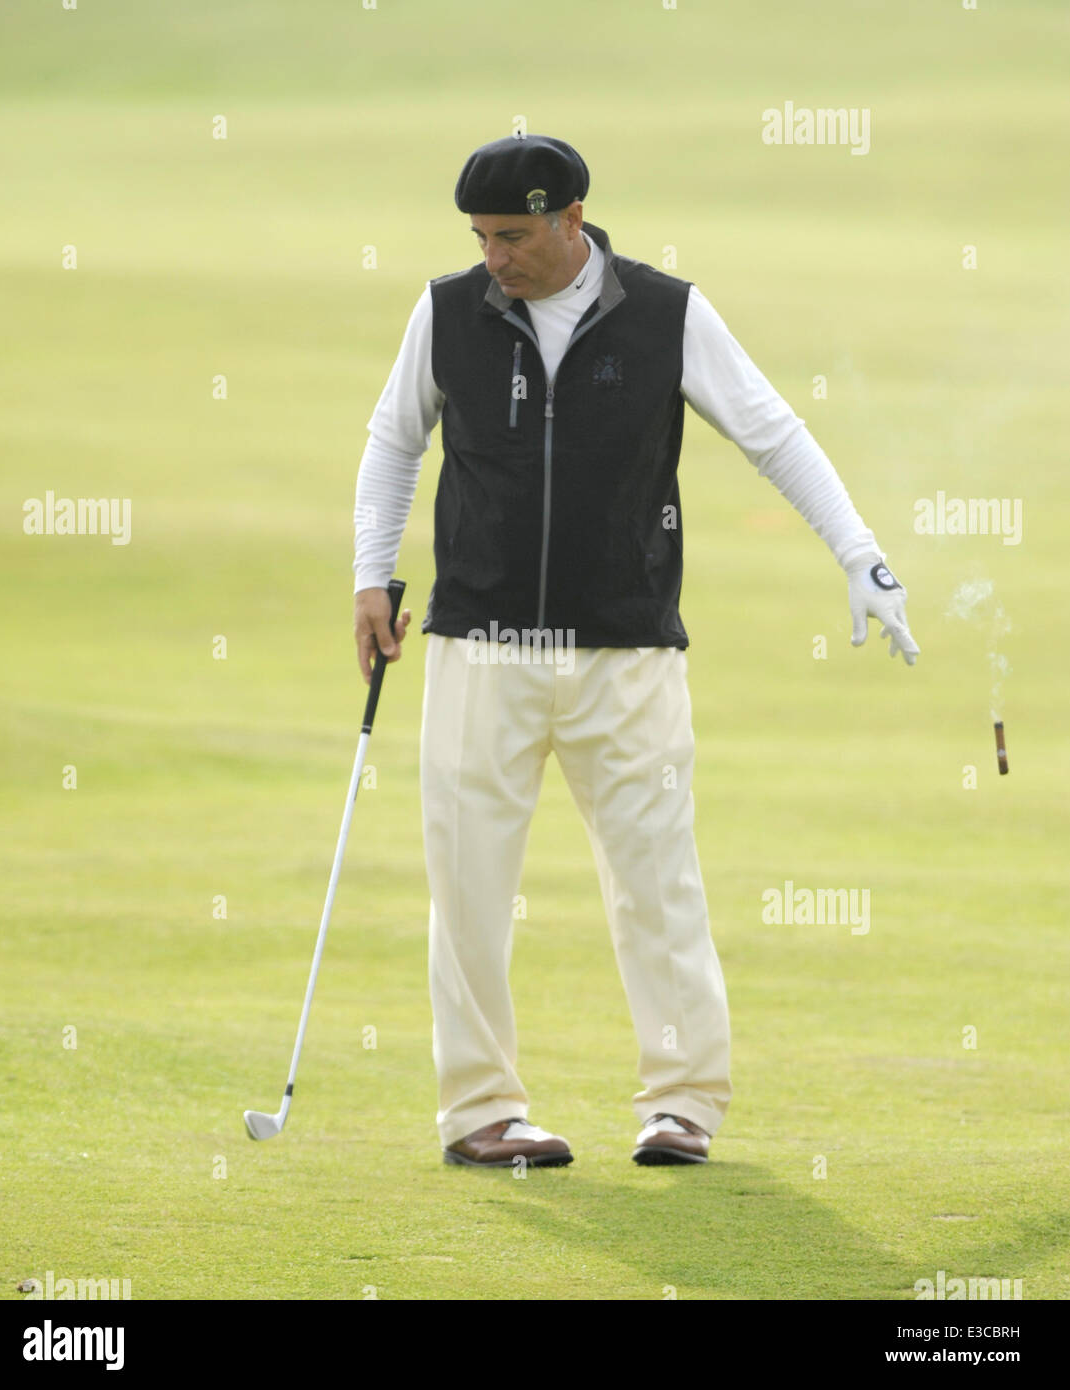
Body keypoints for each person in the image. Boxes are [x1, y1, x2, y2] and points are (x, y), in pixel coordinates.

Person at [351, 134, 919, 1168]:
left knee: (656, 881)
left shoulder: (665, 314)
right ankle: (481, 1111)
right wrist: (366, 573)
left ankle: (680, 1104)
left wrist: (858, 553)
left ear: (571, 218)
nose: (495, 258)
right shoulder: (445, 312)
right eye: (480, 238)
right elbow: (396, 440)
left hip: (629, 650)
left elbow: (771, 431)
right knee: (468, 883)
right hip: (477, 644)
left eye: (513, 236)